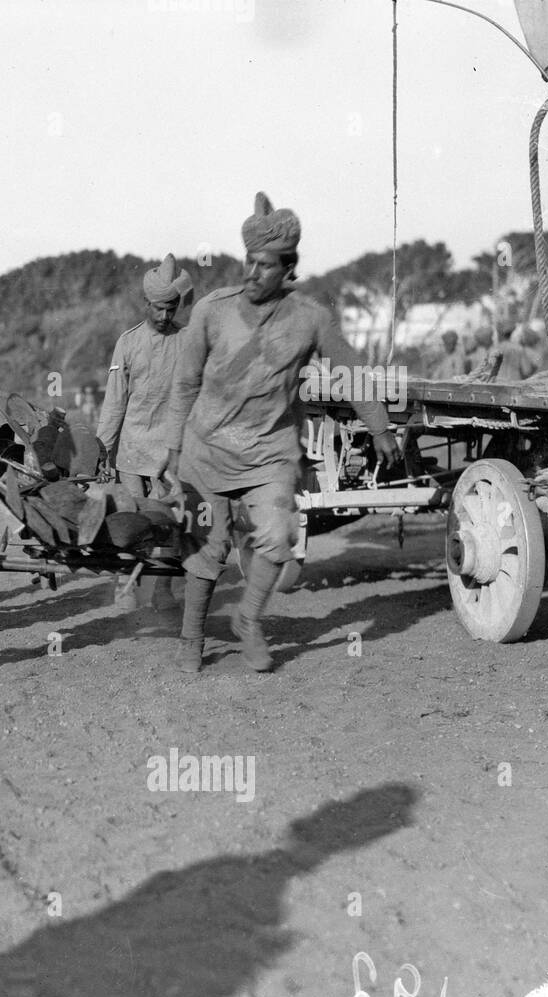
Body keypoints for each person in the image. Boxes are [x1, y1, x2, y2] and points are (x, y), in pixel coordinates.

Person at [159, 192, 398, 674]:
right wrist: (171, 449)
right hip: (207, 451)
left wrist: (379, 427)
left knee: (277, 534)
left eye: (265, 265)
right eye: (249, 262)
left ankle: (248, 620)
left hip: (269, 454)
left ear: (288, 267)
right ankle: (191, 637)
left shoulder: (311, 318)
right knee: (209, 547)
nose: (252, 273)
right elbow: (185, 383)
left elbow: (349, 370)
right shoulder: (212, 310)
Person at [96, 252, 192, 613]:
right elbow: (114, 402)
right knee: (132, 524)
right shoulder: (128, 343)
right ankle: (128, 585)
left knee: (170, 524)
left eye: (171, 308)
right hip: (134, 452)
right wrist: (102, 449)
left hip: (171, 455)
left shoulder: (188, 342)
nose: (165, 316)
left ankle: (164, 589)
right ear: (146, 303)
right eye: (158, 308)